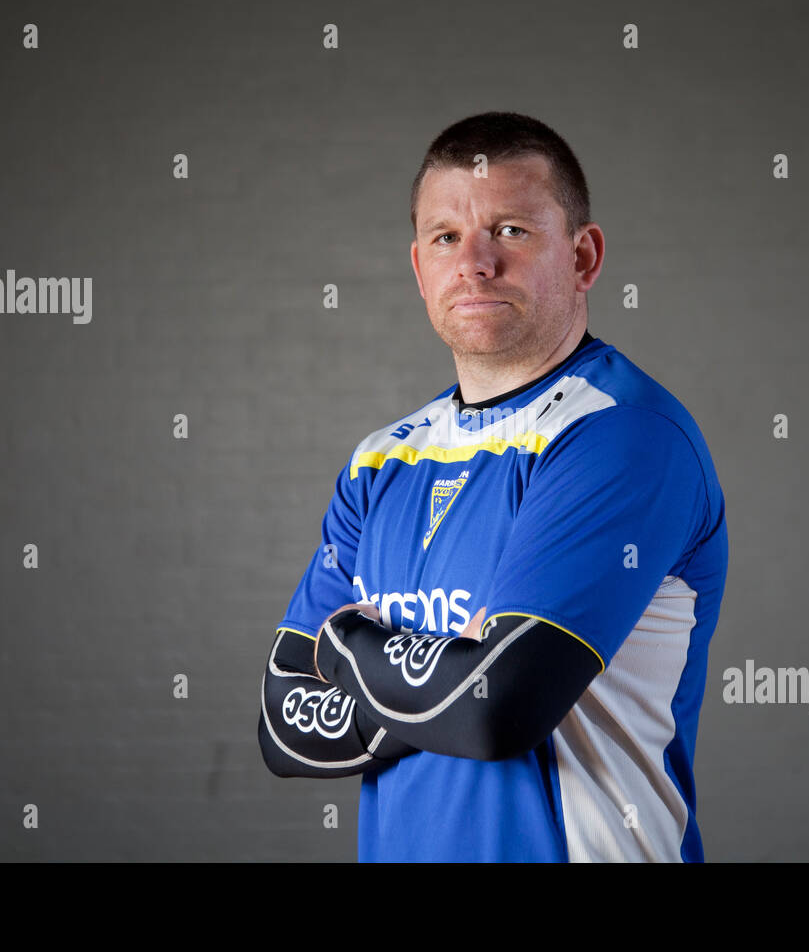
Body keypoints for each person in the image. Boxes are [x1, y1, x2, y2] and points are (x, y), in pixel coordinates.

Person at [257, 111, 729, 862]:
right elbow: (283, 724)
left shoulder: (624, 437)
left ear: (584, 256)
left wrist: (351, 647)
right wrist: (446, 677)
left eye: (510, 230)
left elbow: (496, 711)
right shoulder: (382, 463)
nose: (474, 263)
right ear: (419, 268)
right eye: (446, 237)